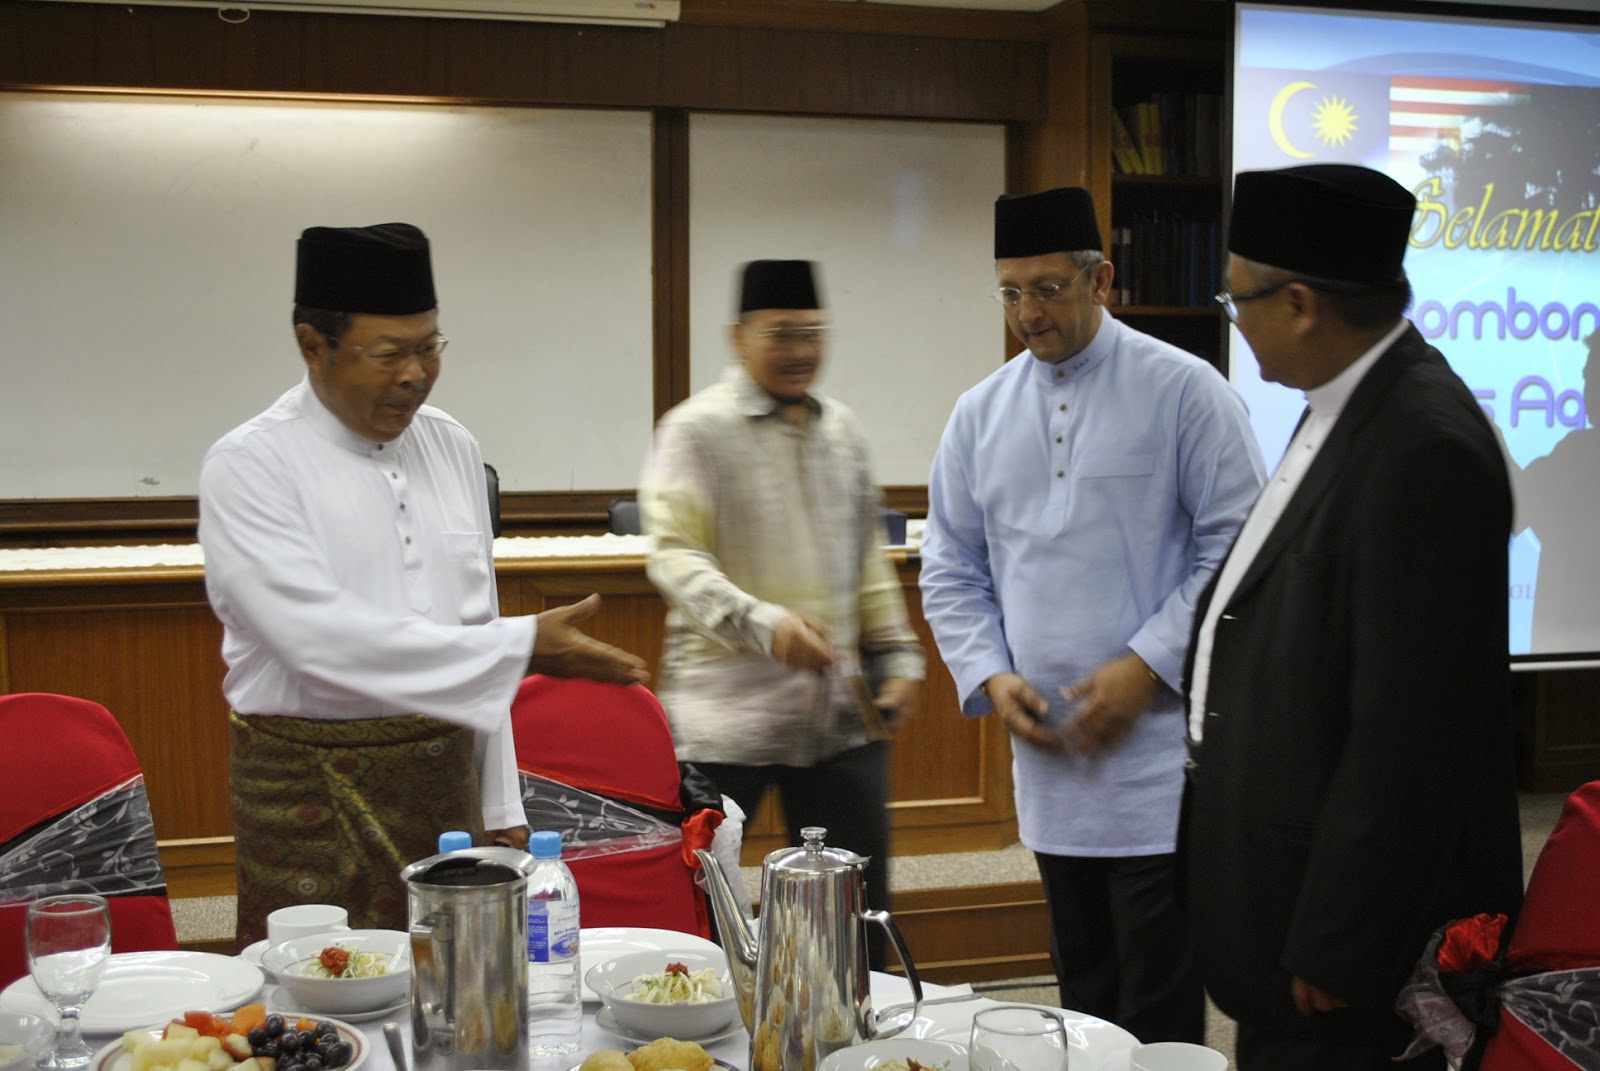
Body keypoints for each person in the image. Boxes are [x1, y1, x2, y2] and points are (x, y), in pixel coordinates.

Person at [198, 222, 647, 948]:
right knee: (321, 1010)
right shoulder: (251, 465)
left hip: (446, 785)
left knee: (460, 989)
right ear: (313, 346)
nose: (415, 373)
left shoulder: (451, 444)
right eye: (389, 353)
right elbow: (316, 642)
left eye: (429, 346)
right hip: (310, 796)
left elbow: (477, 613)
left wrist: (502, 793)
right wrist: (525, 645)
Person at [1181, 164, 1525, 1070]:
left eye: (1237, 297)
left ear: (1299, 304)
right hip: (1285, 903)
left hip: (1347, 954)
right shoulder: (1345, 404)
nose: (1235, 316)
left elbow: (1415, 734)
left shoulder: (1425, 448)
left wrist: (1344, 937)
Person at [919, 187, 1266, 1043]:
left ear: (1101, 278)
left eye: (1047, 289)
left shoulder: (1186, 390)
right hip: (1048, 761)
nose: (1028, 314)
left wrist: (1145, 663)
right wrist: (992, 675)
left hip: (1158, 760)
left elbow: (1238, 549)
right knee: (1081, 991)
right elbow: (951, 564)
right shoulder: (979, 413)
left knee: (1157, 1000)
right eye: (1009, 292)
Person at [638, 259, 925, 962]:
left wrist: (897, 652)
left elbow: (866, 556)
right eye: (782, 334)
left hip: (834, 715)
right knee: (701, 924)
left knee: (857, 925)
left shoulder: (844, 432)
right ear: (739, 337)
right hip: (721, 723)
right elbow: (674, 558)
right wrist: (766, 625)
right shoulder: (696, 429)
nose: (801, 351)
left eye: (813, 333)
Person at [1511, 328, 1600, 654]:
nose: (1585, 389)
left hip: (1567, 663)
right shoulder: (1577, 449)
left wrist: (1486, 435)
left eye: (1592, 376)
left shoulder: (1581, 452)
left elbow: (1516, 507)